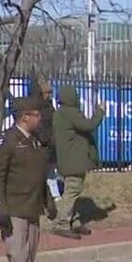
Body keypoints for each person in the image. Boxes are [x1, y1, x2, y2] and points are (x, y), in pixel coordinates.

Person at [0, 96, 61, 262]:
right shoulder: (6, 141)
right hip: (13, 207)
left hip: (33, 206)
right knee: (19, 256)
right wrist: (0, 207)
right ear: (25, 117)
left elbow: (39, 177)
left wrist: (48, 201)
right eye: (37, 115)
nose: (40, 119)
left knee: (27, 256)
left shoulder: (35, 141)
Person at [51, 85, 105, 237]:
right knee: (72, 191)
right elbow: (88, 125)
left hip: (67, 159)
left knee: (72, 190)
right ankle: (62, 223)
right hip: (73, 160)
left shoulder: (60, 113)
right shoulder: (70, 112)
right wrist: (100, 111)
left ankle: (73, 222)